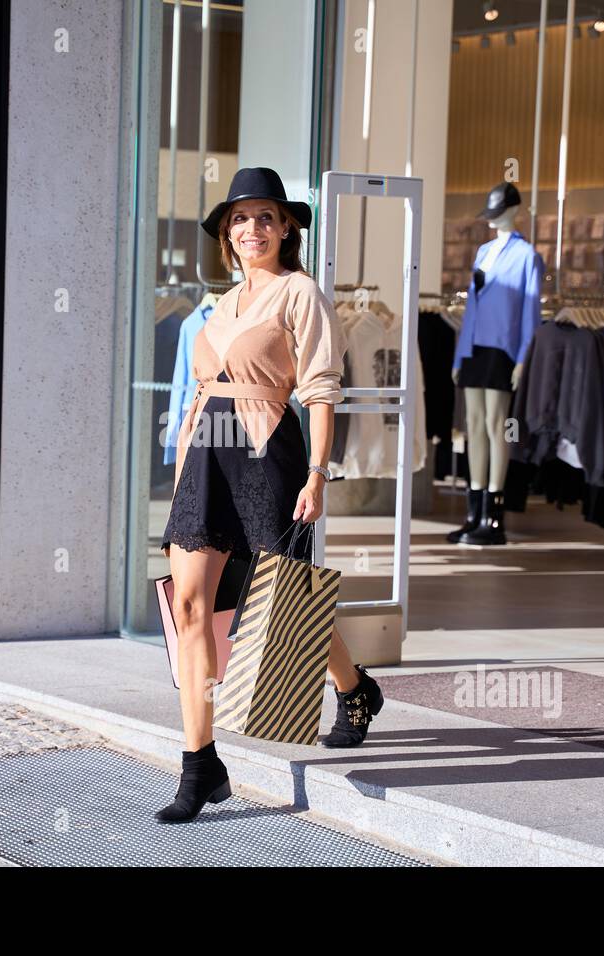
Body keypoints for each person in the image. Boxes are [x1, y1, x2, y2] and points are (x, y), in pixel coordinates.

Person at [156, 167, 385, 824]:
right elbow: (199, 392)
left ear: (286, 227)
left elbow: (319, 387)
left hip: (267, 453)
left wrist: (317, 472)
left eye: (264, 216)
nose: (250, 228)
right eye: (238, 219)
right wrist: (181, 470)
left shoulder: (300, 293)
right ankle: (200, 764)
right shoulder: (220, 304)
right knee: (193, 605)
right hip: (205, 455)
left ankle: (354, 686)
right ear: (227, 234)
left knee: (284, 598)